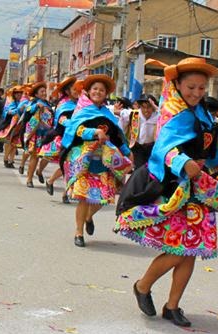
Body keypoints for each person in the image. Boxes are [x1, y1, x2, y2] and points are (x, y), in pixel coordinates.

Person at [116, 58, 218, 328]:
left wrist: (216, 167)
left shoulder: (204, 114)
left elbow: (208, 151)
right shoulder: (175, 113)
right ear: (177, 85)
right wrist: (182, 163)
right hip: (171, 188)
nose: (197, 92)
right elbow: (163, 149)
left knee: (191, 251)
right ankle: (143, 286)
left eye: (201, 87)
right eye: (191, 87)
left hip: (197, 190)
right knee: (179, 249)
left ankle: (172, 305)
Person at [61, 74, 131, 248]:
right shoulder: (82, 110)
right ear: (89, 92)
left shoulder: (108, 113)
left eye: (101, 90)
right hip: (85, 161)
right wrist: (93, 132)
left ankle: (88, 217)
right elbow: (76, 130)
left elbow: (117, 136)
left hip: (104, 162)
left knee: (103, 199)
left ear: (106, 93)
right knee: (83, 198)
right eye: (95, 89)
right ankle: (79, 232)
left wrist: (127, 152)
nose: (98, 92)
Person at [40, 78, 78, 202]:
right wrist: (72, 124)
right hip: (65, 138)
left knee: (72, 166)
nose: (78, 91)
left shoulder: (82, 103)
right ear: (68, 91)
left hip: (78, 138)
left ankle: (62, 191)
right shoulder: (65, 104)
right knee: (67, 165)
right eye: (75, 88)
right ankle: (55, 185)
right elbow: (62, 120)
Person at [21, 82, 52, 187]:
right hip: (36, 134)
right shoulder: (33, 103)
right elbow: (28, 110)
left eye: (45, 91)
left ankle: (39, 171)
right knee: (34, 157)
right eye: (41, 92)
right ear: (36, 94)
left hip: (46, 134)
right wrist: (36, 106)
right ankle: (29, 179)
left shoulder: (48, 104)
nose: (44, 93)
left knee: (48, 156)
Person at [125, 94, 159, 170]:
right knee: (139, 169)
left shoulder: (158, 117)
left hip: (151, 147)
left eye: (149, 107)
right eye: (143, 107)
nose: (146, 110)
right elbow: (120, 114)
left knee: (151, 169)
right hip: (138, 147)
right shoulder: (134, 114)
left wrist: (157, 109)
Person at [0, 87, 24, 168]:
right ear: (14, 95)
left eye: (20, 93)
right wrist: (19, 109)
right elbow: (8, 112)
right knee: (9, 143)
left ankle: (11, 160)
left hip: (19, 126)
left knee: (14, 145)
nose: (19, 95)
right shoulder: (12, 103)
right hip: (11, 127)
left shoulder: (22, 102)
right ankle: (5, 159)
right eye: (17, 93)